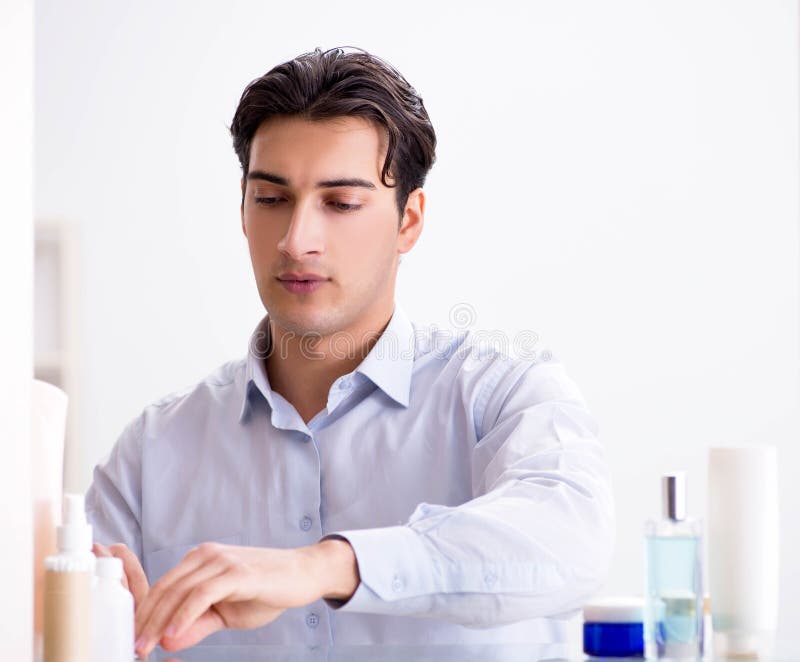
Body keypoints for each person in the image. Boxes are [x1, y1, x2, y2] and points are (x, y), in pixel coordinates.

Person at [85, 46, 615, 657]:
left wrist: (323, 567)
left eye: (340, 203)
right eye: (271, 199)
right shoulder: (153, 451)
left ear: (408, 222)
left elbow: (570, 538)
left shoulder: (503, 394)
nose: (295, 239)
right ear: (242, 210)